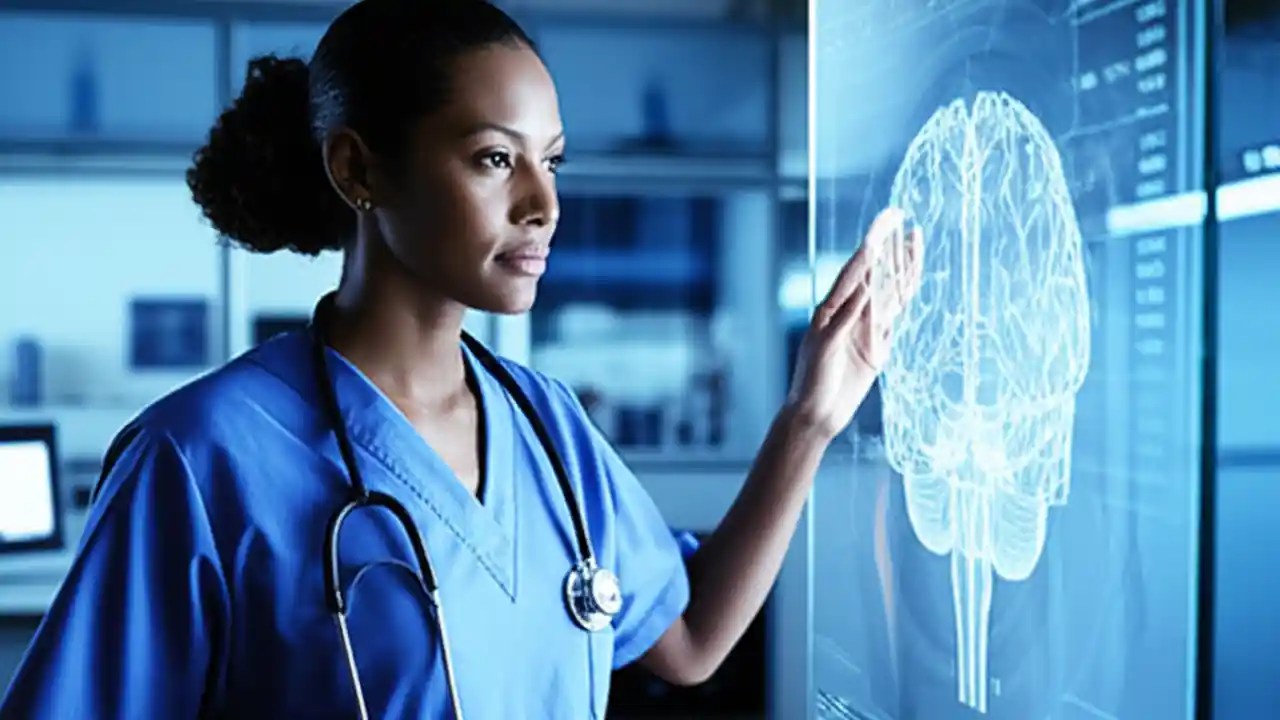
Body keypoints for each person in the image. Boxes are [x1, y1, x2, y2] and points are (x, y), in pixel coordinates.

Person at [0, 1, 922, 717]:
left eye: (553, 162)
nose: (543, 204)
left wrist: (810, 418)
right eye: (494, 159)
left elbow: (686, 642)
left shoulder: (546, 426)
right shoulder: (200, 457)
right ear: (358, 170)